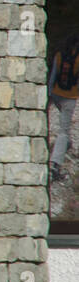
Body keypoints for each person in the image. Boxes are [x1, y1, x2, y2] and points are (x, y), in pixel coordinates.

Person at [49, 33, 79, 182]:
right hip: (70, 97)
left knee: (63, 124)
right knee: (63, 131)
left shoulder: (59, 56)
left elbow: (53, 76)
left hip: (56, 95)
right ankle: (55, 164)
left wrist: (49, 95)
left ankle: (66, 144)